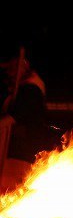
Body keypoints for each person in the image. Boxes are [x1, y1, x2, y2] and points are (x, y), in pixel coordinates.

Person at [0, 46, 49, 191]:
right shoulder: (22, 88)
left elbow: (15, 117)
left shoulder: (31, 89)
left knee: (9, 192)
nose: (9, 74)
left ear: (23, 65)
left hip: (21, 154)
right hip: (15, 151)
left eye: (12, 69)